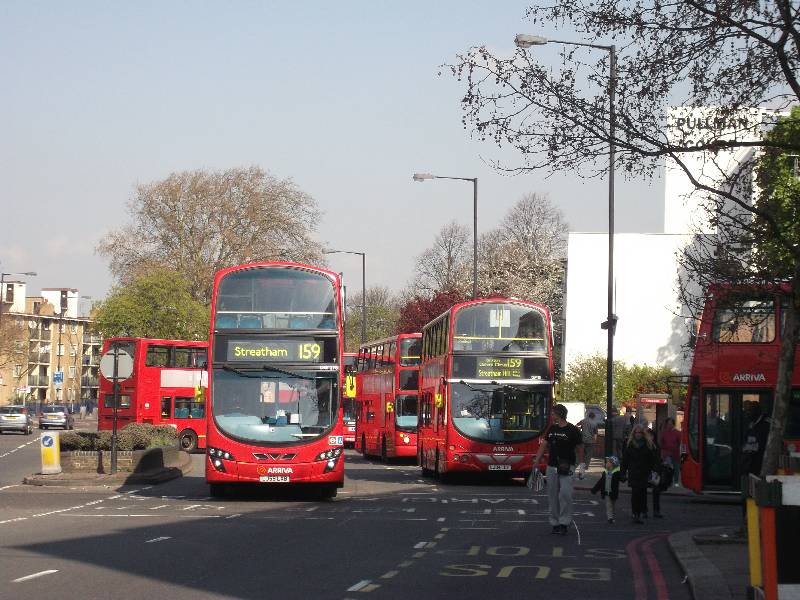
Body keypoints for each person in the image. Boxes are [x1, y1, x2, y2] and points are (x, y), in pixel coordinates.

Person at [532, 403, 585, 535]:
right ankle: (555, 523)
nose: (551, 415)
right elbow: (544, 445)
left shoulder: (572, 430)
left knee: (565, 494)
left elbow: (580, 448)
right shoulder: (552, 428)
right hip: (552, 466)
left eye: (553, 413)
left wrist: (582, 466)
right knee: (553, 495)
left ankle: (564, 522)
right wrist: (537, 460)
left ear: (559, 414)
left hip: (567, 466)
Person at [621, 423, 656, 524]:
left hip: (644, 472)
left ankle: (640, 511)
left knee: (642, 493)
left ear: (643, 434)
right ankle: (635, 514)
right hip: (634, 472)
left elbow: (652, 460)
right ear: (634, 433)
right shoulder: (629, 445)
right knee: (635, 493)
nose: (638, 434)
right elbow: (625, 460)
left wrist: (654, 470)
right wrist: (623, 472)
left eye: (640, 433)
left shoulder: (648, 445)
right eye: (636, 433)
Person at [590, 455, 621, 523]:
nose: (606, 463)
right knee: (608, 505)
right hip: (607, 492)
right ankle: (610, 518)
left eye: (608, 462)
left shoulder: (616, 473)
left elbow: (622, 478)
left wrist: (625, 477)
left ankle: (612, 516)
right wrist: (594, 489)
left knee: (613, 505)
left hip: (613, 492)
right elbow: (600, 482)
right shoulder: (605, 472)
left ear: (612, 464)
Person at [658, 417, 681, 486]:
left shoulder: (678, 433)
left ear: (673, 424)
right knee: (668, 468)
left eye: (671, 424)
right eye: (668, 424)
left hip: (675, 453)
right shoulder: (664, 433)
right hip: (666, 454)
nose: (669, 425)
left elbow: (680, 443)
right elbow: (661, 443)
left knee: (676, 468)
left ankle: (676, 482)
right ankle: (669, 481)